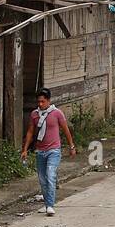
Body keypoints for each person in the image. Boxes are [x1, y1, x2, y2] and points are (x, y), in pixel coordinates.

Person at [20, 87, 76, 216]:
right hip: (40, 151)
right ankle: (47, 203)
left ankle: (50, 205)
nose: (40, 104)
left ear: (49, 101)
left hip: (54, 150)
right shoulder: (34, 114)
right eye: (38, 102)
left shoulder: (57, 113)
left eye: (43, 101)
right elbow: (30, 132)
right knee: (42, 179)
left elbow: (66, 130)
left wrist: (71, 146)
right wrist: (25, 149)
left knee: (50, 175)